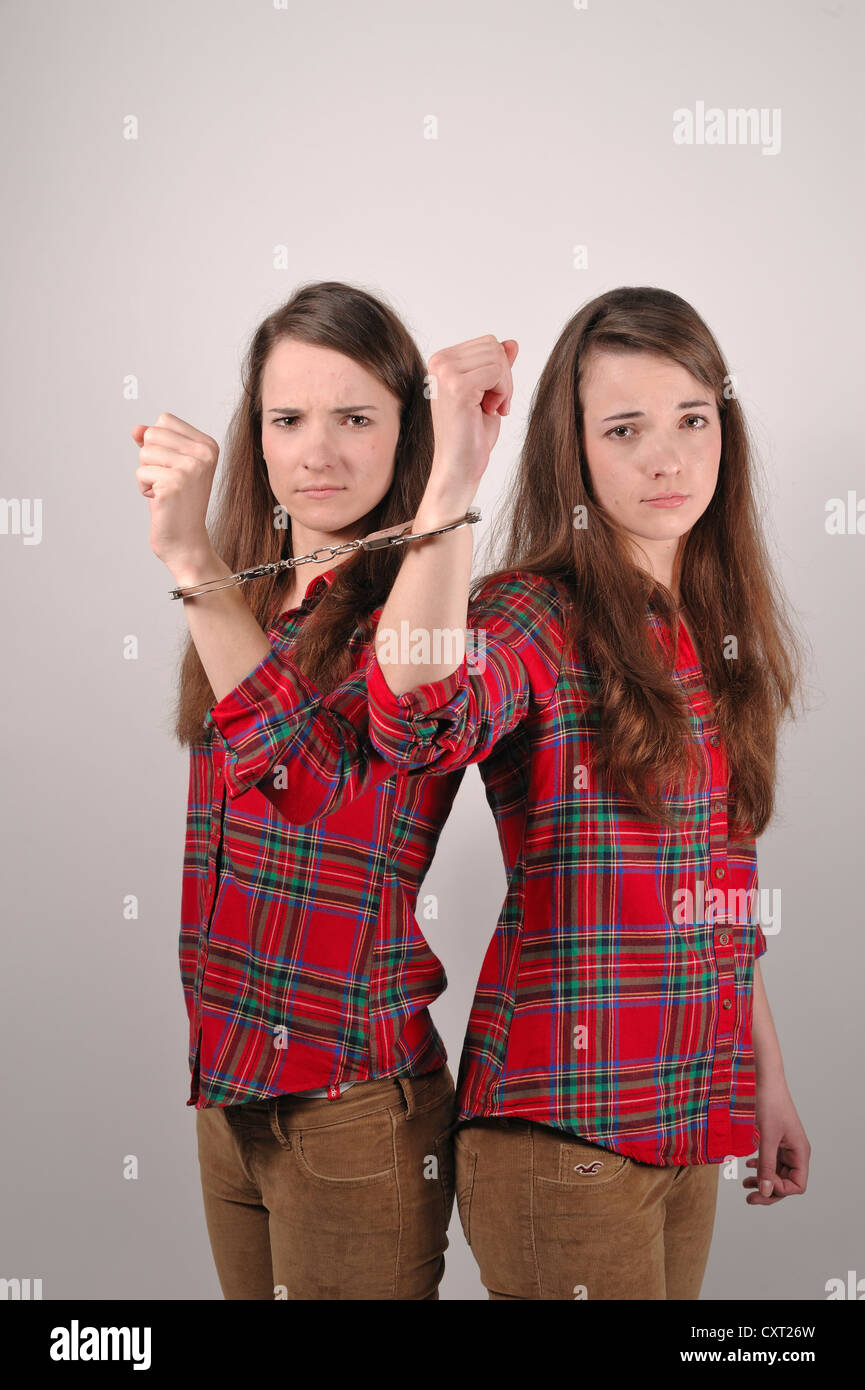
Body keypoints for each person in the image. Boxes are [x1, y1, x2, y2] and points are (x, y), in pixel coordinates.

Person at [365, 287, 811, 1300]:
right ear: (575, 453)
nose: (666, 456)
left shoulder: (709, 629)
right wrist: (448, 484)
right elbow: (413, 717)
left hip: (685, 1119)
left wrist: (764, 1081)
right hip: (562, 1135)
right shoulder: (530, 612)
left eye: (692, 419)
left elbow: (719, 898)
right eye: (625, 429)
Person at [131, 280, 462, 1300]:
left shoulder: (420, 614)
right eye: (288, 418)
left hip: (352, 1103)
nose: (317, 449)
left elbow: (308, 782)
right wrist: (212, 573)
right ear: (258, 439)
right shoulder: (254, 600)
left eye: (355, 417)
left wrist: (187, 557)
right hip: (229, 1089)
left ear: (405, 435)